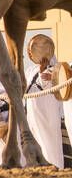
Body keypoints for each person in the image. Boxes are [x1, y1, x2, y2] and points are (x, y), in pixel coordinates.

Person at [25, 36, 64, 168]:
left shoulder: (56, 70)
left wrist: (45, 70)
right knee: (37, 143)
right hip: (32, 113)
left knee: (50, 143)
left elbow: (46, 84)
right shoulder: (30, 70)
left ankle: (57, 168)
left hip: (48, 113)